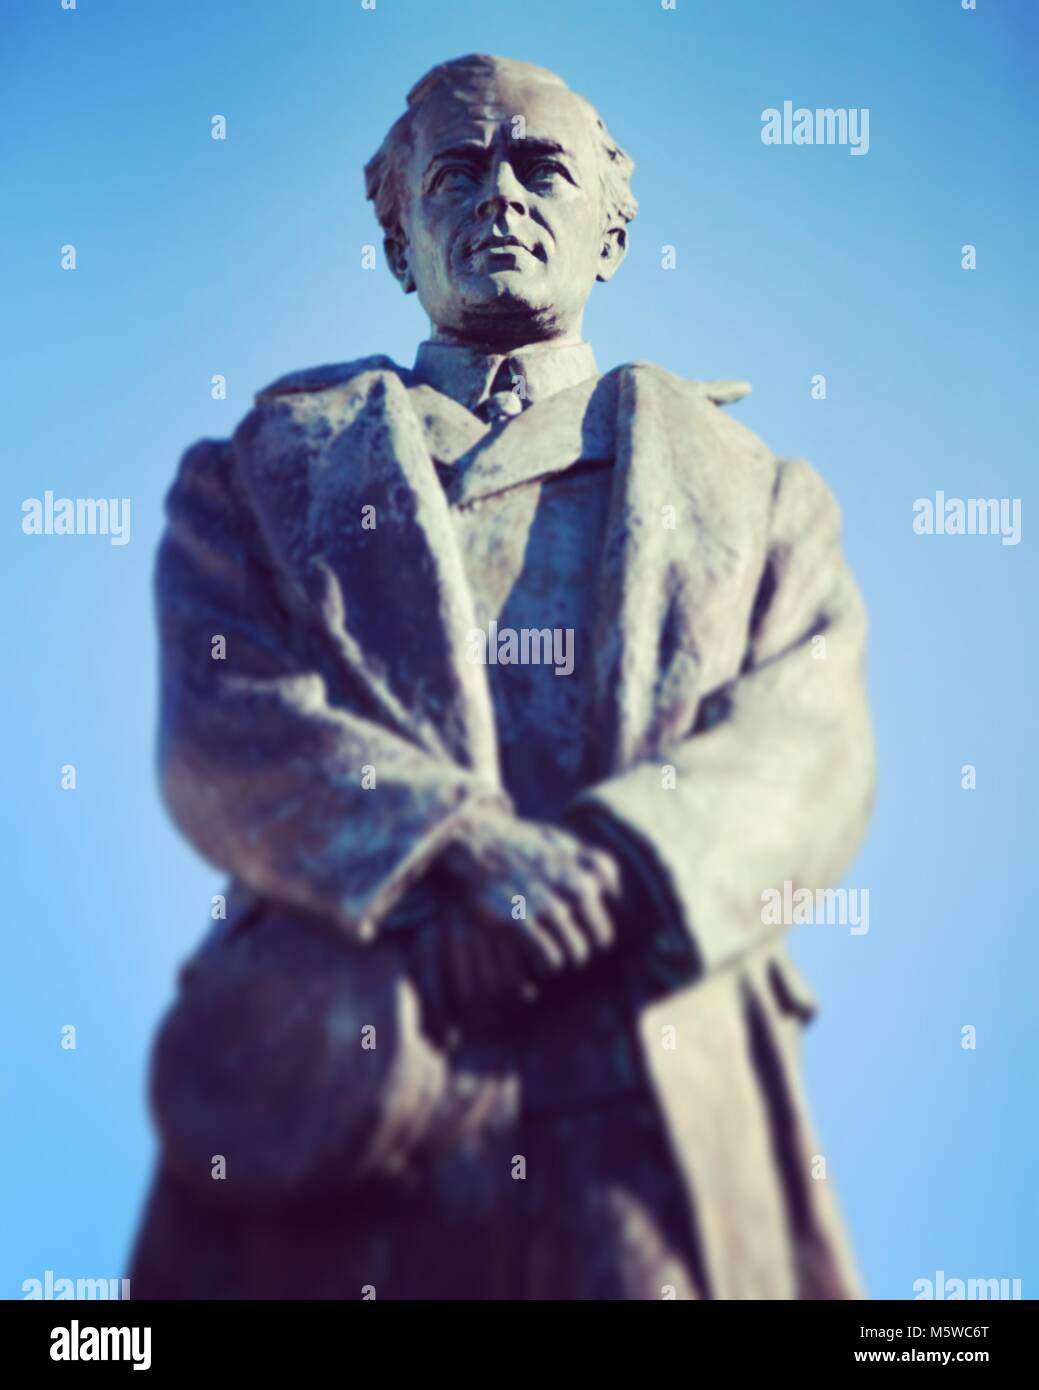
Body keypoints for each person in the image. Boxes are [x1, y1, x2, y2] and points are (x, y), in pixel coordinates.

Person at [129, 53, 875, 1300]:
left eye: (541, 167)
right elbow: (225, 724)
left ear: (610, 232)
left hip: (648, 1095)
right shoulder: (264, 470)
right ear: (397, 236)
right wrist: (455, 849)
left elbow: (808, 735)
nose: (501, 196)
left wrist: (625, 862)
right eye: (458, 171)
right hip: (345, 1078)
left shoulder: (751, 490)